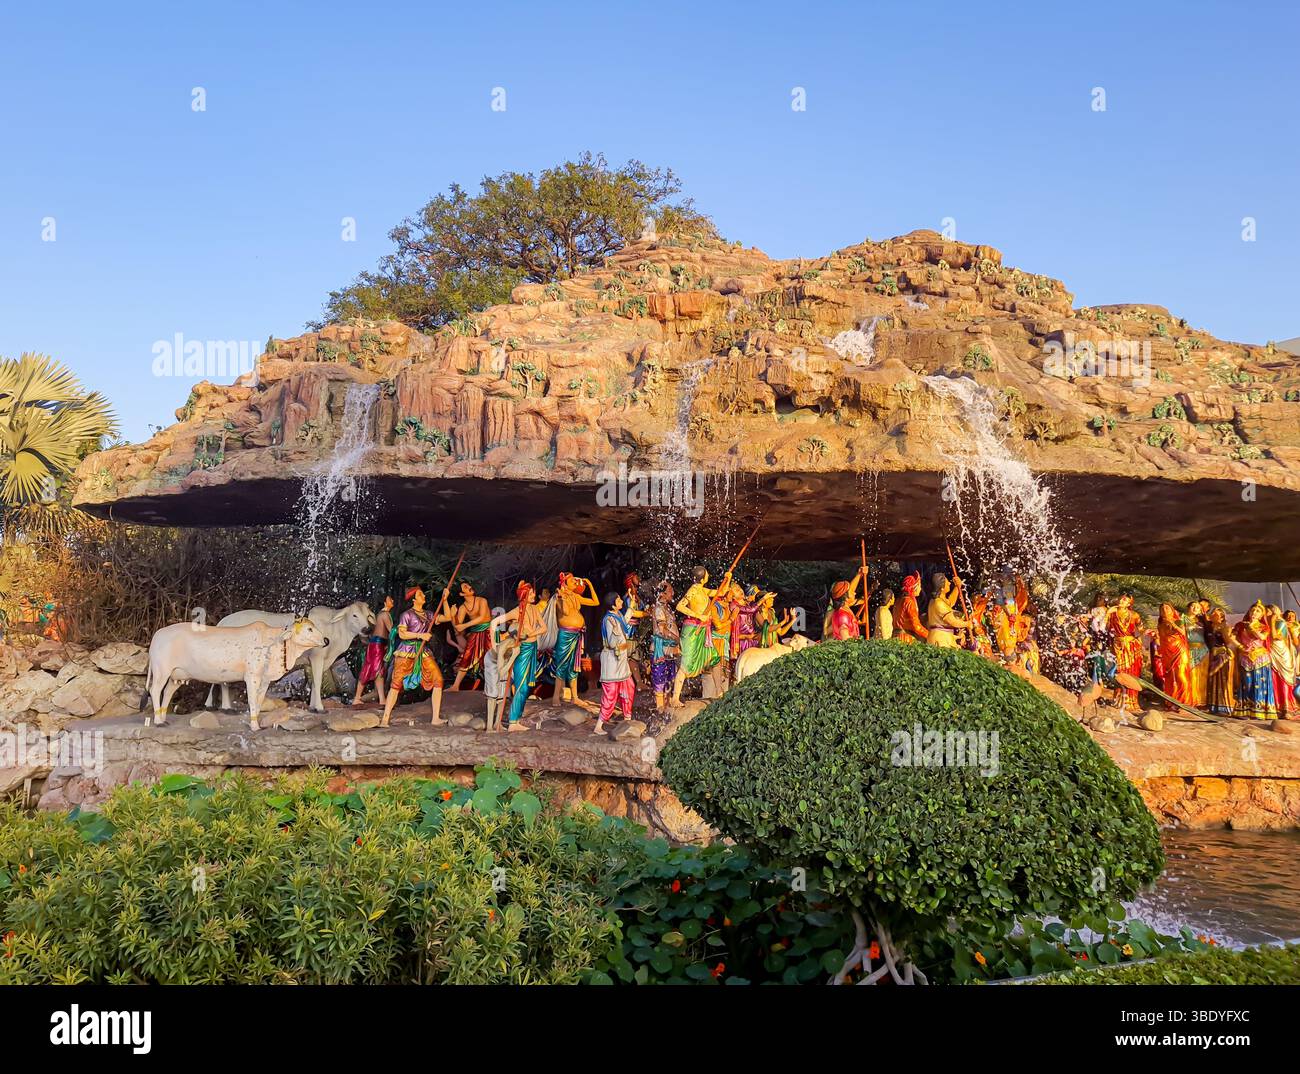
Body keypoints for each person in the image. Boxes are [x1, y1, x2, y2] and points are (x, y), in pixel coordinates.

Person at [381, 587, 451, 728]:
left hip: (423, 651)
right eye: (420, 594)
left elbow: (447, 617)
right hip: (406, 651)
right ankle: (385, 719)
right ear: (414, 599)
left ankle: (435, 718)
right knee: (396, 684)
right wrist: (420, 635)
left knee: (438, 680)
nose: (423, 595)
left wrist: (445, 600)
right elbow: (402, 634)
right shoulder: (406, 615)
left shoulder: (429, 614)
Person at [671, 566, 730, 706]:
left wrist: (728, 578)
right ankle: (674, 698)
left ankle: (719, 691)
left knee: (715, 659)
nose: (708, 574)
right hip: (692, 631)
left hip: (704, 630)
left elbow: (721, 592)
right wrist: (698, 615)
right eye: (707, 573)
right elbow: (680, 606)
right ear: (703, 577)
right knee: (686, 664)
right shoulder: (693, 590)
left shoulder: (702, 590)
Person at [502, 581, 546, 730]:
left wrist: (530, 634)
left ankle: (518, 716)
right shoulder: (517, 611)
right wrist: (501, 637)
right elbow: (497, 621)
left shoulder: (534, 609)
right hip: (522, 649)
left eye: (534, 592)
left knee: (527, 686)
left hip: (532, 647)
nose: (534, 595)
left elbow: (544, 628)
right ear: (524, 596)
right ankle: (512, 722)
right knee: (520, 685)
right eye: (531, 593)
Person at [552, 572, 599, 710]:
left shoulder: (576, 596)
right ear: (564, 583)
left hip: (577, 635)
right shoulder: (559, 596)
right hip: (565, 634)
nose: (575, 581)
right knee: (562, 665)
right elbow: (565, 612)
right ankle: (556, 695)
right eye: (571, 580)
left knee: (574, 666)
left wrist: (589, 585)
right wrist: (561, 597)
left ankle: (575, 697)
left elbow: (595, 602)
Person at [595, 593, 635, 735]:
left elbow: (624, 621)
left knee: (629, 687)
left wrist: (631, 607)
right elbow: (612, 643)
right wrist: (617, 633)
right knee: (610, 694)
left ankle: (627, 718)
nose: (620, 601)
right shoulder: (609, 620)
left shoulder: (617, 616)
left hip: (621, 662)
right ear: (613, 604)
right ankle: (598, 725)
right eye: (618, 600)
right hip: (612, 662)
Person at [443, 580, 492, 691]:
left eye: (469, 585)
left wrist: (465, 625)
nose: (469, 587)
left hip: (489, 631)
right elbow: (457, 627)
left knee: (491, 657)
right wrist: (453, 616)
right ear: (462, 594)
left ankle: (497, 687)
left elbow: (482, 617)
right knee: (467, 656)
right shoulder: (463, 608)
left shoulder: (481, 601)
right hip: (475, 633)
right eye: (465, 587)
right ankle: (456, 686)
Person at [1233, 601, 1277, 720]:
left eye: (1258, 611)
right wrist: (1240, 647)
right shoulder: (1240, 625)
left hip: (1260, 657)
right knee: (1247, 683)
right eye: (1253, 610)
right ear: (1249, 611)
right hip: (1245, 656)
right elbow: (1232, 637)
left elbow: (1262, 637)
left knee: (1259, 683)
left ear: (1262, 615)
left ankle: (1259, 710)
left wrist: (1252, 628)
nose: (1254, 612)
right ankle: (1244, 710)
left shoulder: (1264, 627)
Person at [352, 595, 394, 707]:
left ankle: (382, 699)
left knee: (378, 672)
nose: (392, 601)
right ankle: (357, 697)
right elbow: (392, 631)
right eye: (390, 599)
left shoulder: (384, 614)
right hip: (377, 645)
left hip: (379, 645)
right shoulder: (384, 614)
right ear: (385, 602)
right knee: (370, 669)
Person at [1106, 594, 1144, 712]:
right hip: (1117, 645)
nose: (1122, 601)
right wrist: (1108, 612)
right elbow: (1105, 627)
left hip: (1131, 646)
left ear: (1129, 604)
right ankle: (1119, 699)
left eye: (1125, 600)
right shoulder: (1112, 613)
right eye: (1121, 598)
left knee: (1131, 671)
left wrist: (1138, 640)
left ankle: (1131, 701)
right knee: (1120, 672)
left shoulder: (1134, 615)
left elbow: (1141, 628)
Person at [650, 580, 682, 713]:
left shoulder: (667, 608)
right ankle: (660, 708)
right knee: (660, 677)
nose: (672, 593)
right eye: (670, 591)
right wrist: (676, 638)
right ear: (662, 593)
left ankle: (667, 705)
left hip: (670, 650)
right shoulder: (658, 609)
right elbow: (662, 630)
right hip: (661, 650)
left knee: (670, 677)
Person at [483, 606, 516, 733]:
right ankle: (489, 727)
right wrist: (513, 657)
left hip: (505, 660)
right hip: (493, 662)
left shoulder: (515, 642)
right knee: (493, 693)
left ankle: (498, 723)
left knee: (503, 692)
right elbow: (501, 670)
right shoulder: (502, 645)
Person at [1156, 602, 1193, 707]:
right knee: (1170, 676)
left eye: (1167, 608)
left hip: (1179, 650)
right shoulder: (1160, 624)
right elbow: (1161, 638)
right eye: (1162, 609)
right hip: (1167, 652)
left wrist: (1172, 623)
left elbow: (1182, 633)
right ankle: (1172, 701)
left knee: (1181, 675)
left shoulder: (1179, 621)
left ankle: (1185, 702)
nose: (1164, 610)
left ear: (1172, 610)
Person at [1204, 607, 1238, 717]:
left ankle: (1225, 706)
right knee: (1213, 682)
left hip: (1223, 656)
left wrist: (1224, 632)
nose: (1213, 615)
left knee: (1223, 682)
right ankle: (1213, 706)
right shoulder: (1209, 627)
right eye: (1212, 613)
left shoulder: (1225, 627)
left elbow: (1228, 642)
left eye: (1216, 614)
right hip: (1212, 656)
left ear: (1222, 617)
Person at [1267, 605, 1297, 718]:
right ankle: (1276, 707)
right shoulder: (1267, 622)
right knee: (1274, 679)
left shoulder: (1280, 622)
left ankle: (1286, 708)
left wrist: (1272, 620)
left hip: (1281, 652)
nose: (1266, 614)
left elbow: (1275, 636)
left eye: (1268, 611)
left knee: (1282, 679)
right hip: (1273, 652)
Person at [1183, 601, 1210, 708]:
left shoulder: (1202, 621)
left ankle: (1201, 700)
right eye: (1193, 606)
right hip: (1190, 649)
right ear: (1188, 607)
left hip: (1203, 649)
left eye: (1198, 607)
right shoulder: (1182, 619)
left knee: (1202, 676)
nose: (1195, 608)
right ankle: (1191, 699)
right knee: (1191, 675)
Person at [895, 572, 929, 644]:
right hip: (906, 638)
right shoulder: (909, 601)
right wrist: (929, 635)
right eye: (919, 586)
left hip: (896, 636)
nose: (920, 589)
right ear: (914, 587)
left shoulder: (899, 600)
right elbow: (916, 626)